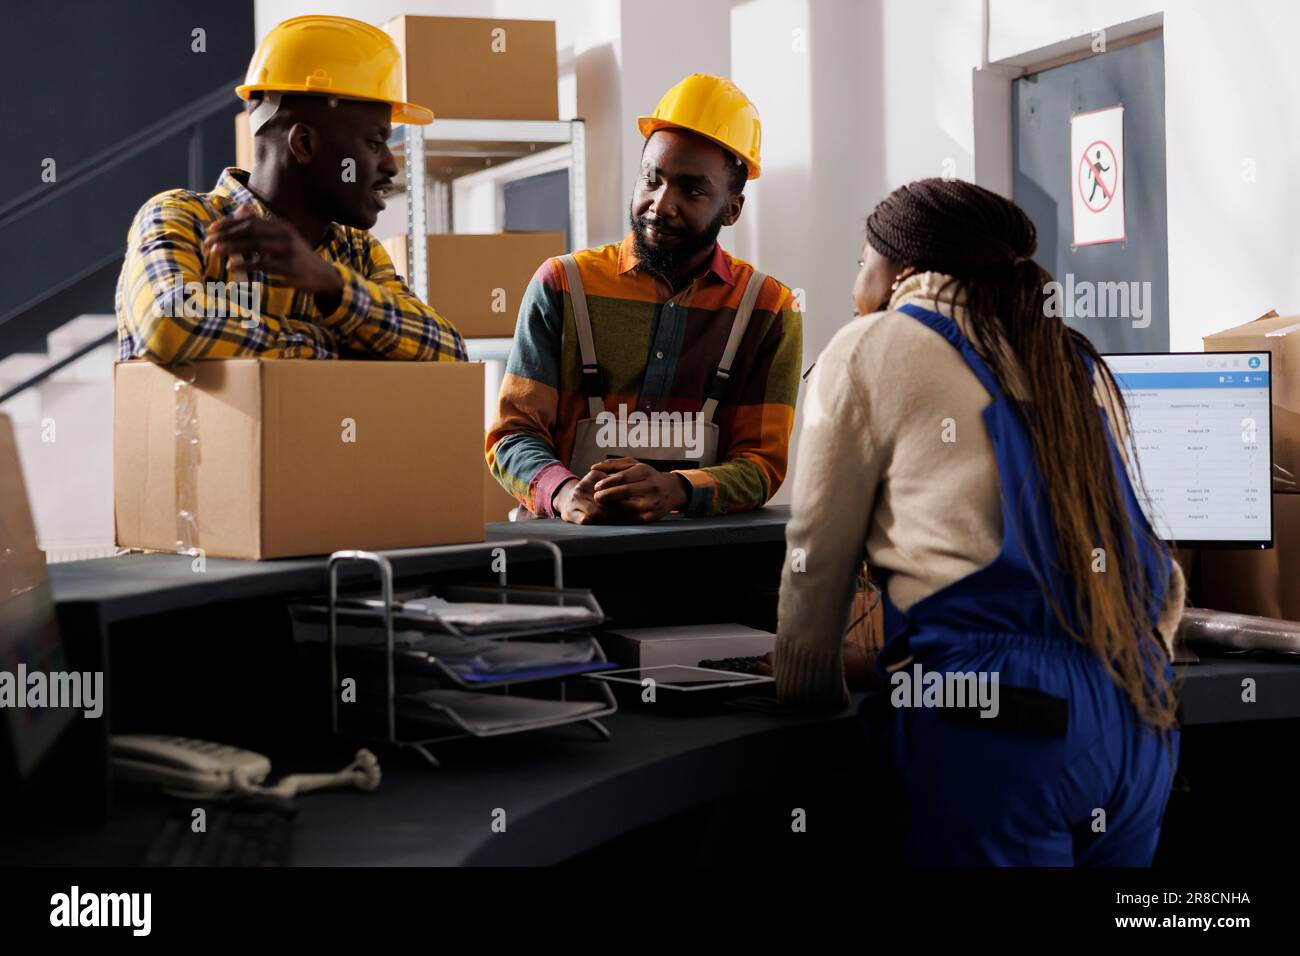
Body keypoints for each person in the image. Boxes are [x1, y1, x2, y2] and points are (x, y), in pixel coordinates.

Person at [768, 179, 1184, 866]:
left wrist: (801, 686)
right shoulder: (1069, 356)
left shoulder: (870, 345)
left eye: (859, 261)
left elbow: (818, 556)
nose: (852, 286)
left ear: (901, 269)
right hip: (1139, 711)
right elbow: (1161, 577)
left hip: (1002, 723)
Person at [486, 74, 802, 524]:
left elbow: (761, 466)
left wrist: (677, 488)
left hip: (700, 562)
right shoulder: (561, 284)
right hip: (571, 553)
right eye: (651, 179)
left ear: (732, 209)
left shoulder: (769, 308)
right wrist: (561, 491)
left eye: (692, 190)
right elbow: (511, 437)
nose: (660, 203)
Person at [116, 15, 465, 363]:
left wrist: (332, 284)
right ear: (304, 143)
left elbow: (448, 352)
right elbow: (168, 323)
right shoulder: (182, 220)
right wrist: (328, 346)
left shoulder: (357, 254)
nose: (391, 164)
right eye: (375, 142)